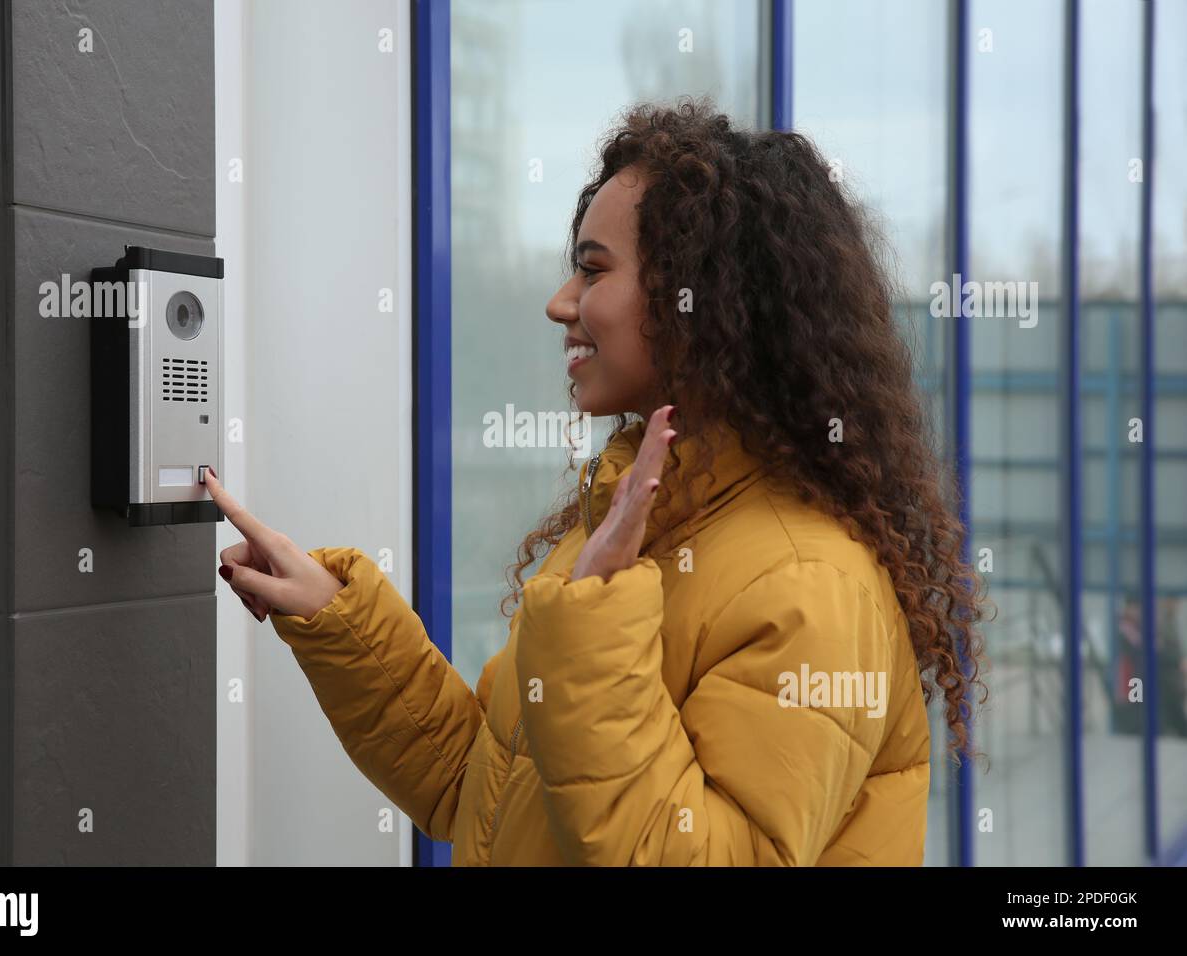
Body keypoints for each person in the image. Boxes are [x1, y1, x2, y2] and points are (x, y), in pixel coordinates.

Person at [207, 98, 989, 866]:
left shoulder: (810, 585)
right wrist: (340, 621)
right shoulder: (630, 530)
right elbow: (476, 790)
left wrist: (593, 627)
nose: (560, 304)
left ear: (701, 302)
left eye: (592, 271)